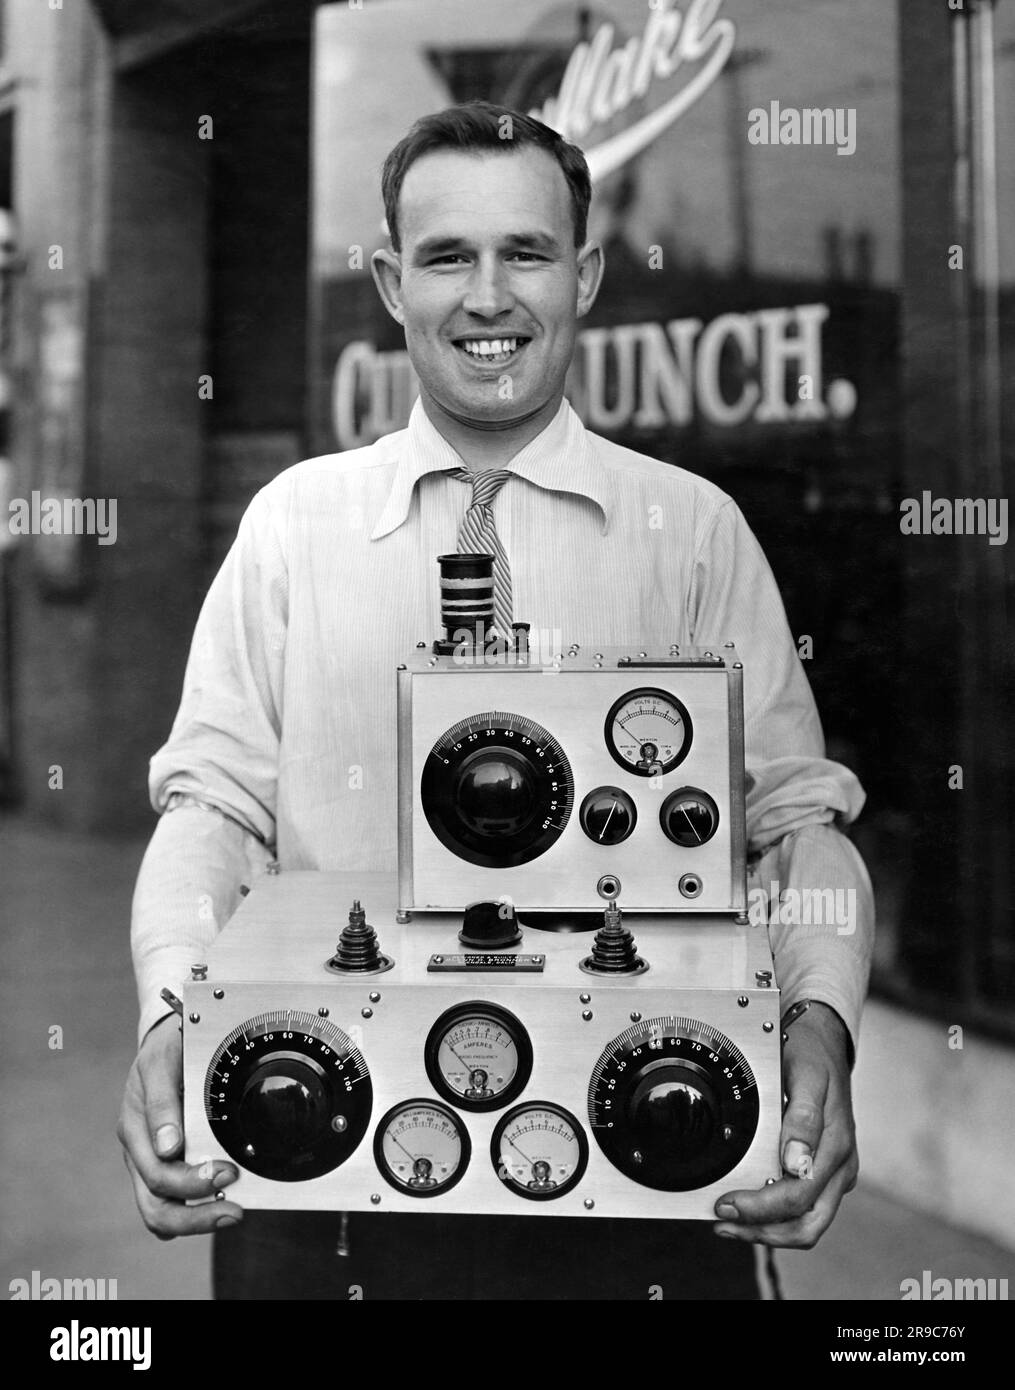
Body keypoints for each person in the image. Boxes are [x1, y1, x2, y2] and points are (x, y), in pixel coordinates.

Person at [118, 101, 873, 1300]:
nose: (486, 298)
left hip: (644, 1174)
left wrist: (819, 1026)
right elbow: (210, 809)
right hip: (327, 1174)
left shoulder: (692, 530)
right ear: (387, 280)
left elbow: (794, 824)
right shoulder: (292, 528)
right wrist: (173, 1008)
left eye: (523, 252)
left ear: (583, 272)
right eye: (444, 257)